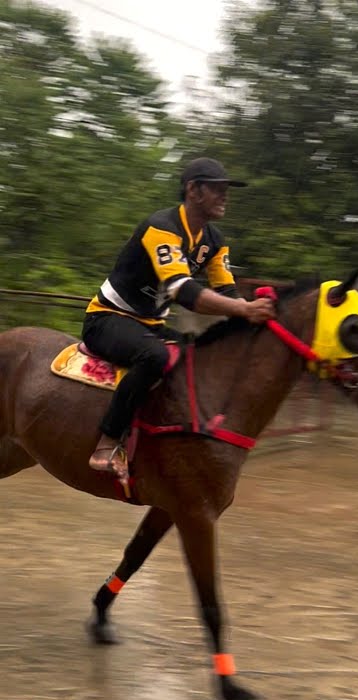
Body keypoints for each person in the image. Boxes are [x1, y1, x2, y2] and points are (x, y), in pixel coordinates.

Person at [83, 157, 276, 479]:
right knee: (155, 356)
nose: (225, 196)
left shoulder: (215, 241)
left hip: (150, 324)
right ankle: (107, 441)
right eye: (217, 189)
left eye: (226, 189)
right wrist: (243, 309)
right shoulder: (162, 228)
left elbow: (227, 293)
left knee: (194, 356)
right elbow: (184, 293)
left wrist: (258, 310)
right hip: (108, 318)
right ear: (193, 190)